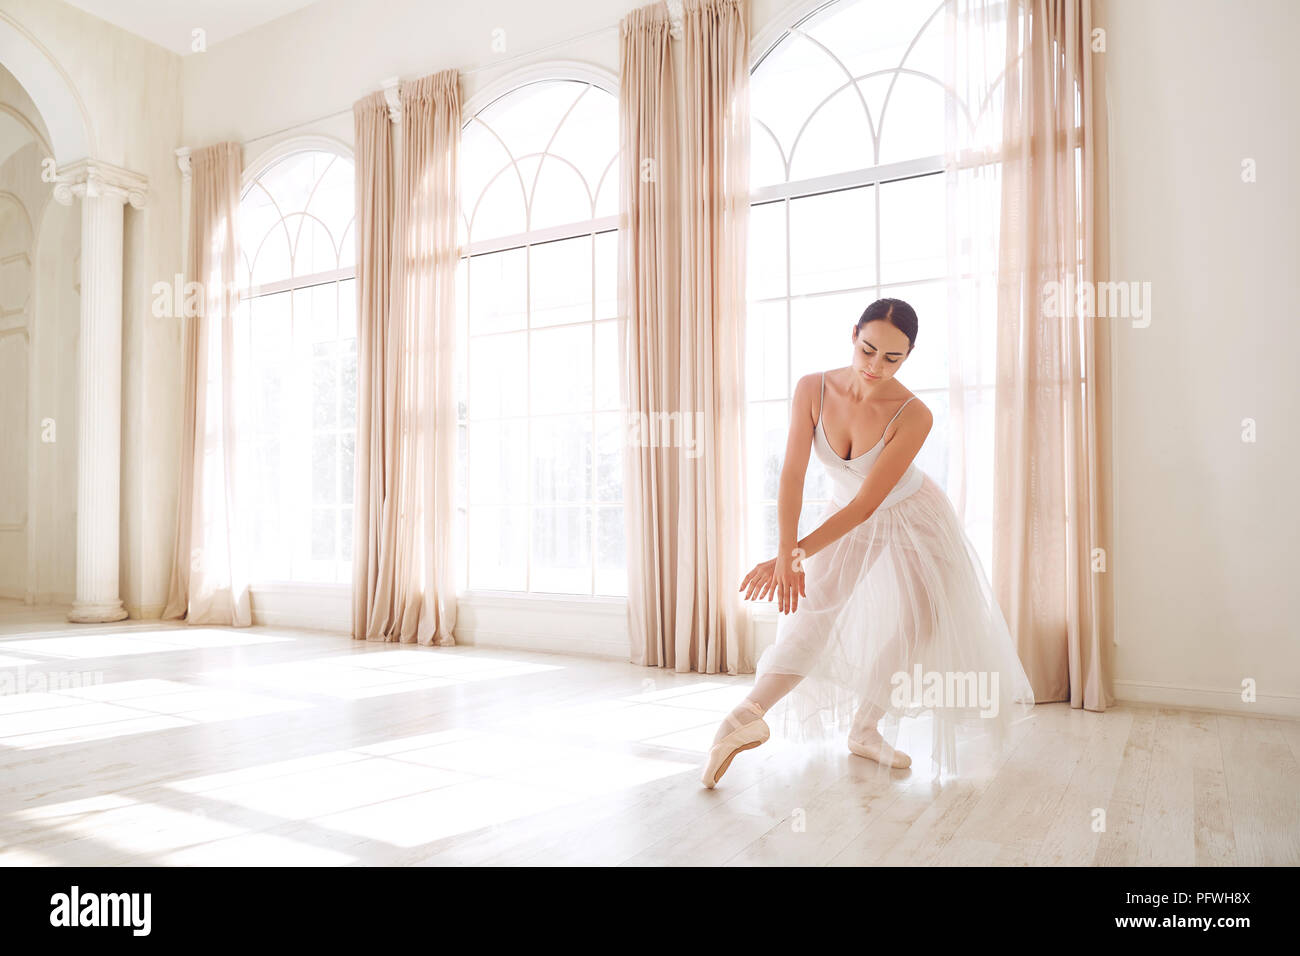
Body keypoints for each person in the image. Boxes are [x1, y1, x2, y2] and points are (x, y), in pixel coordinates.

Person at [701, 298, 1035, 788]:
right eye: (868, 349)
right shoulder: (812, 388)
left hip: (915, 515)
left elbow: (866, 508)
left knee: (923, 617)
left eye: (892, 359)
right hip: (846, 510)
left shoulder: (914, 414)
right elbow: (792, 475)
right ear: (853, 334)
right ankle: (743, 717)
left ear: (909, 356)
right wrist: (787, 556)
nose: (876, 366)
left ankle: (866, 727)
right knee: (814, 610)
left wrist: (790, 555)